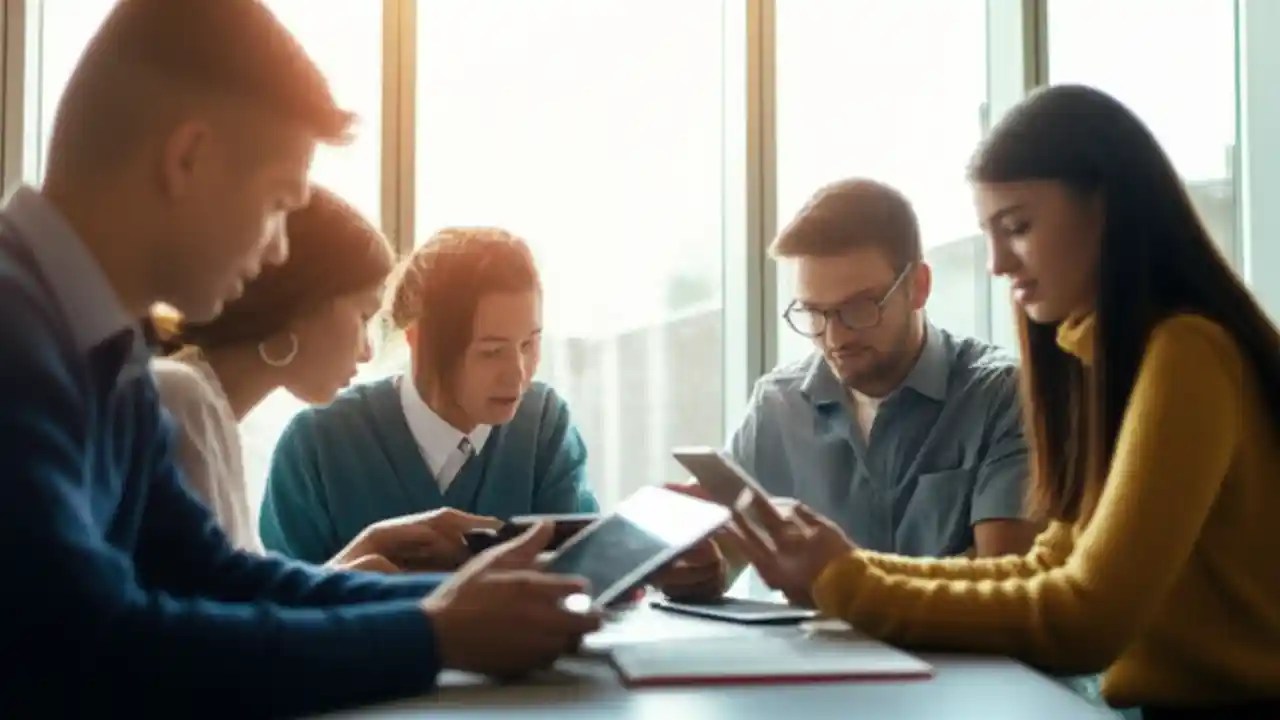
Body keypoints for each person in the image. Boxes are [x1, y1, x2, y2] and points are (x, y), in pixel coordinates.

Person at [0, 1, 597, 715]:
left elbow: (209, 574)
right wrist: (431, 633)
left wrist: (452, 601)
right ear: (188, 158)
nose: (280, 249)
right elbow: (91, 644)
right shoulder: (17, 339)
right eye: (280, 201)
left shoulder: (107, 344)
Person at [723, 85, 1280, 717]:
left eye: (1016, 227)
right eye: (989, 234)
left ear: (1106, 208)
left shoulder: (1187, 351)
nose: (994, 264)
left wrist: (843, 581)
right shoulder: (1117, 364)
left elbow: (1085, 618)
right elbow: (1048, 567)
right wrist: (848, 567)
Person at [654, 178, 1038, 603]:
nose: (835, 338)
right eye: (814, 312)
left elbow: (1006, 583)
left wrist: (841, 575)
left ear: (919, 287)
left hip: (960, 667)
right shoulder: (778, 405)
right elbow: (723, 557)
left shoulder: (1004, 396)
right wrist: (699, 569)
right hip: (813, 664)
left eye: (860, 308)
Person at [152, 185, 500, 571]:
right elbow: (205, 625)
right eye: (363, 316)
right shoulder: (181, 402)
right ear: (303, 303)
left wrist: (362, 552)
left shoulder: (212, 414)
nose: (368, 351)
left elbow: (230, 607)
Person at [260, 226, 599, 564]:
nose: (518, 373)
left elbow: (582, 572)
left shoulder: (544, 426)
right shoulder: (316, 446)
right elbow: (282, 605)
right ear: (418, 340)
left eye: (529, 344)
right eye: (491, 352)